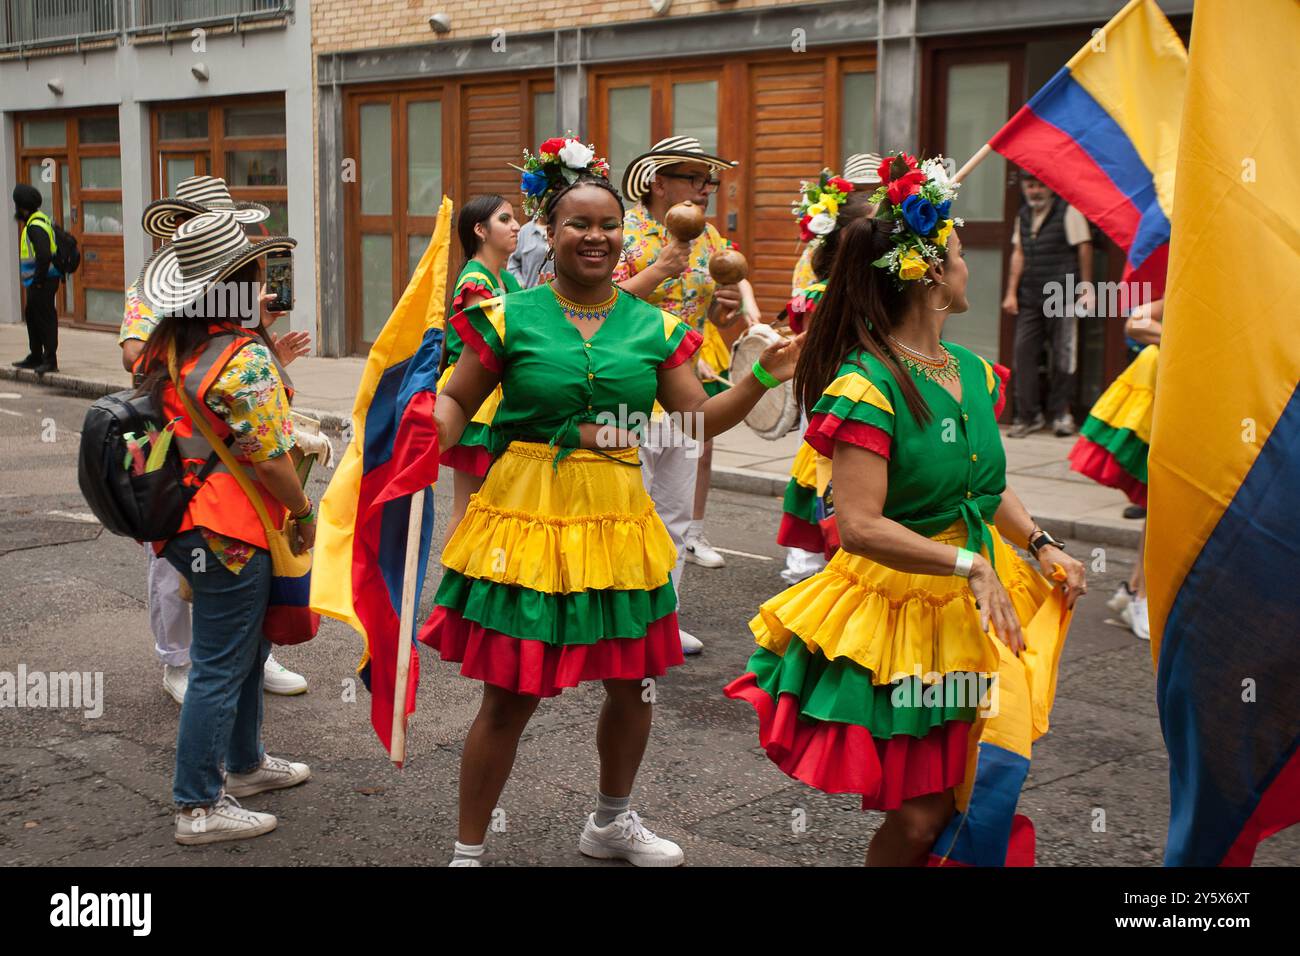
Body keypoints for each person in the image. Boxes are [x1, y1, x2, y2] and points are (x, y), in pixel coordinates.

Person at [422, 137, 802, 867]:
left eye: (608, 227)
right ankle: (468, 853)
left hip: (619, 519)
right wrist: (418, 431)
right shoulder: (509, 316)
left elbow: (694, 421)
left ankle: (611, 822)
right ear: (551, 232)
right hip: (524, 516)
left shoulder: (657, 329)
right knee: (509, 692)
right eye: (579, 225)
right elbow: (457, 404)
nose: (595, 237)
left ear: (623, 236)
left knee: (635, 684)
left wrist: (759, 380)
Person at [725, 154, 1086, 866]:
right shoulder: (868, 385)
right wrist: (967, 564)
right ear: (928, 275)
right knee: (922, 814)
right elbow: (858, 528)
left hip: (977, 603)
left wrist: (1040, 542)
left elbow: (983, 489)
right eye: (956, 256)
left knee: (973, 790)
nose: (969, 268)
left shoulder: (975, 373)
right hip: (908, 614)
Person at [134, 211, 314, 844]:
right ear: (242, 278)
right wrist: (303, 511)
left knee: (243, 651)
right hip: (231, 529)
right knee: (220, 662)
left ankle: (246, 765)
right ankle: (198, 805)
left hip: (182, 522)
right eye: (260, 268)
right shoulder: (240, 357)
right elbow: (271, 458)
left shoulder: (170, 344)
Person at [122, 176, 310, 702]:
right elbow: (137, 358)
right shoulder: (156, 291)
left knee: (239, 589)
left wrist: (261, 340)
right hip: (175, 453)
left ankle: (253, 657)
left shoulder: (236, 309)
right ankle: (180, 662)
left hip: (230, 465)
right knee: (174, 569)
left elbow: (247, 378)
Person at [614, 136, 750, 653]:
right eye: (694, 179)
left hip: (686, 394)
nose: (705, 190)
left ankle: (662, 619)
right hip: (631, 392)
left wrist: (727, 307)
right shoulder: (624, 235)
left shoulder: (711, 239)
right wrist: (660, 271)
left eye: (709, 181)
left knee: (674, 515)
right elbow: (600, 305)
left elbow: (711, 312)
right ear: (658, 182)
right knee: (630, 513)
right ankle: (618, 619)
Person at [778, 168, 873, 584]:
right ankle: (808, 563)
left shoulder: (873, 292)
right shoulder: (823, 297)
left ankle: (836, 561)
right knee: (821, 475)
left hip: (862, 397)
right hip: (826, 398)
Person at [1069, 297, 1163, 641]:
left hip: (1181, 395)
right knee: (1163, 501)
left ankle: (1136, 591)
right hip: (1159, 396)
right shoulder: (1195, 286)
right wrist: (1177, 336)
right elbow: (1135, 322)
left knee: (1161, 502)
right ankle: (1140, 596)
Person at [438, 194, 522, 544]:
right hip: (478, 398)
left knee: (496, 504)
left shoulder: (507, 280)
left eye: (515, 218)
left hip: (503, 393)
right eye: (505, 219)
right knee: (470, 505)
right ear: (480, 230)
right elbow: (487, 343)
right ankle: (452, 590)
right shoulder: (476, 280)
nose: (516, 226)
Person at [1001, 173, 1095, 438]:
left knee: (1064, 357)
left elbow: (1084, 247)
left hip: (1063, 295)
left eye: (1041, 185)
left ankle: (1061, 414)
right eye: (1030, 186)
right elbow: (1018, 253)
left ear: (1051, 187)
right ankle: (1028, 416)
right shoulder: (1023, 215)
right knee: (1023, 354)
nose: (1035, 191)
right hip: (1030, 295)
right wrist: (1011, 293)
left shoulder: (1069, 210)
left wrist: (1087, 288)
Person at [789, 152, 881, 295]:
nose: (868, 199)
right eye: (860, 192)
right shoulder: (819, 251)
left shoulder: (898, 246)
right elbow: (801, 303)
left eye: (876, 192)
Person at [11, 184, 62, 375]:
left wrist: (38, 280)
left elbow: (44, 254)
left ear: (22, 207)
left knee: (45, 318)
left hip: (44, 280)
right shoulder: (36, 221)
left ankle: (50, 360)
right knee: (32, 316)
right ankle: (35, 356)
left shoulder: (35, 226)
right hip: (40, 279)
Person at [507, 212, 548, 288]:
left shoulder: (562, 230)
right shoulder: (524, 231)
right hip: (530, 295)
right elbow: (512, 263)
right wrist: (521, 284)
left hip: (559, 297)